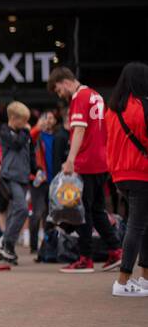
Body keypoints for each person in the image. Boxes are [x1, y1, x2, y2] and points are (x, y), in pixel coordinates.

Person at [48, 66, 123, 272]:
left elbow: (79, 130)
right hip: (100, 161)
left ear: (64, 81)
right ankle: (116, 250)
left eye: (58, 90)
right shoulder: (96, 95)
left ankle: (85, 258)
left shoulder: (79, 98)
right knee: (97, 210)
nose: (60, 94)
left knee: (81, 212)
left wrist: (70, 160)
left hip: (86, 162)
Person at [105, 62, 148, 296]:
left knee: (142, 224)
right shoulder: (143, 107)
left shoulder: (112, 110)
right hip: (142, 173)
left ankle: (144, 279)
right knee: (137, 226)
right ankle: (122, 281)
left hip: (120, 175)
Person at [0, 102, 34, 265]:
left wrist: (36, 169)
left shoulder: (24, 134)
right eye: (23, 120)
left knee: (15, 211)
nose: (25, 124)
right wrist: (27, 130)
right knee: (22, 208)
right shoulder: (5, 131)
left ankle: (6, 248)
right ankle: (8, 244)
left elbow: (29, 153)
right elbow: (17, 144)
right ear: (13, 118)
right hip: (10, 176)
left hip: (23, 177)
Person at [29, 109, 68, 257]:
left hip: (54, 181)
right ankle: (33, 245)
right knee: (37, 213)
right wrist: (38, 127)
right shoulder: (37, 136)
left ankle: (47, 243)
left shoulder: (59, 136)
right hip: (39, 180)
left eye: (51, 118)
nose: (49, 120)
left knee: (51, 215)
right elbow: (30, 136)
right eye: (46, 117)